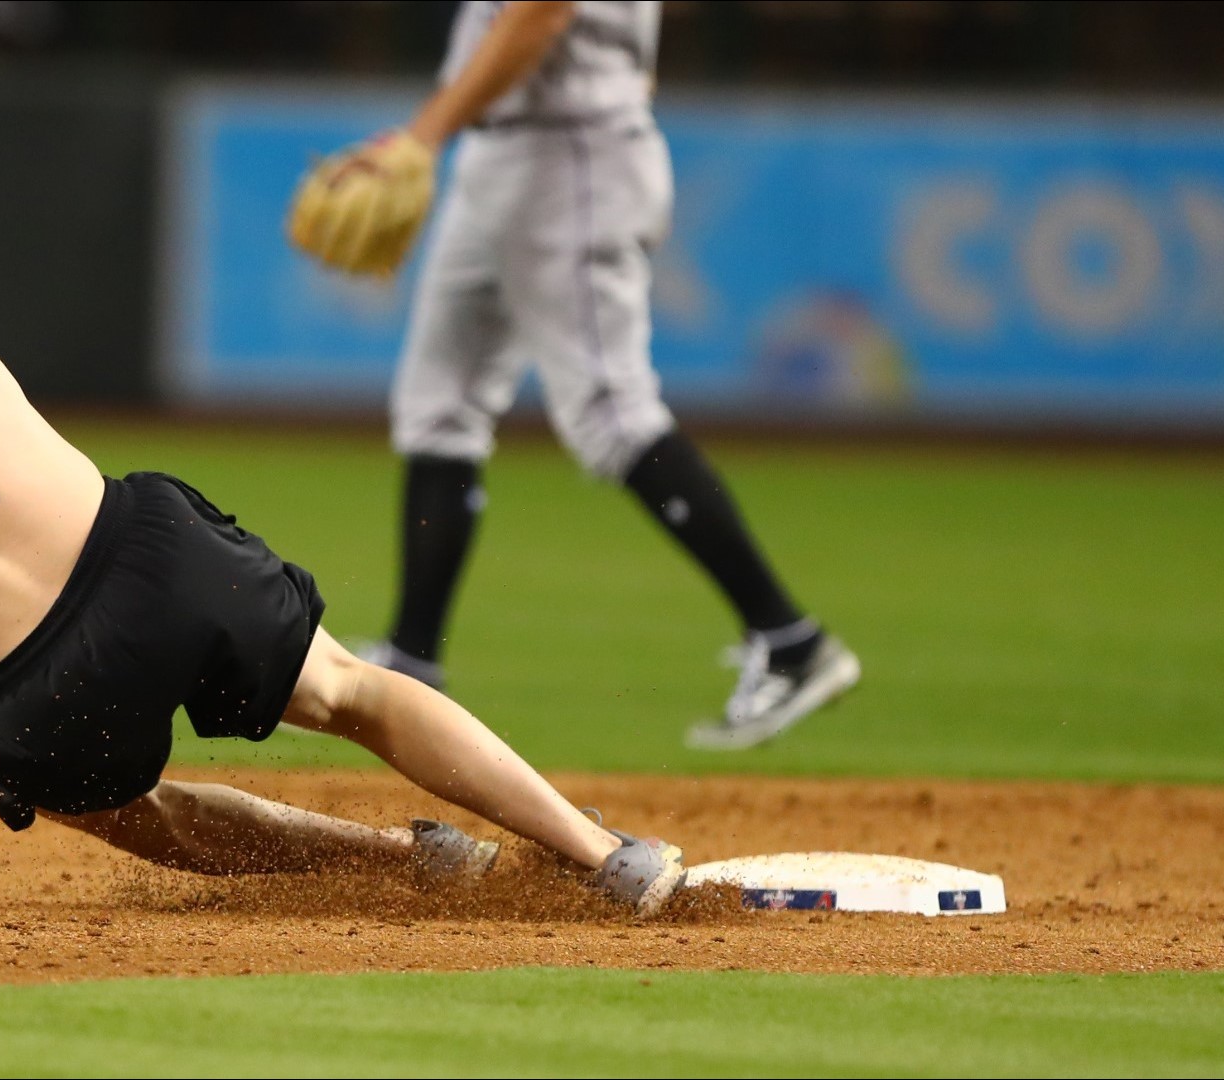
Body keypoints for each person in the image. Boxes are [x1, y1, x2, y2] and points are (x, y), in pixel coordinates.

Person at [0, 1, 683, 915]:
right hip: (144, 557)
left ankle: (407, 864)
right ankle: (605, 857)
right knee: (352, 692)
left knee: (114, 807)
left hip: (35, 685)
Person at [286, 1, 860, 750]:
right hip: (508, 148)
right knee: (440, 404)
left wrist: (422, 137)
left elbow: (541, 11)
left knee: (611, 413)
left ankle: (791, 641)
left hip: (569, 154)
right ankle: (412, 660)